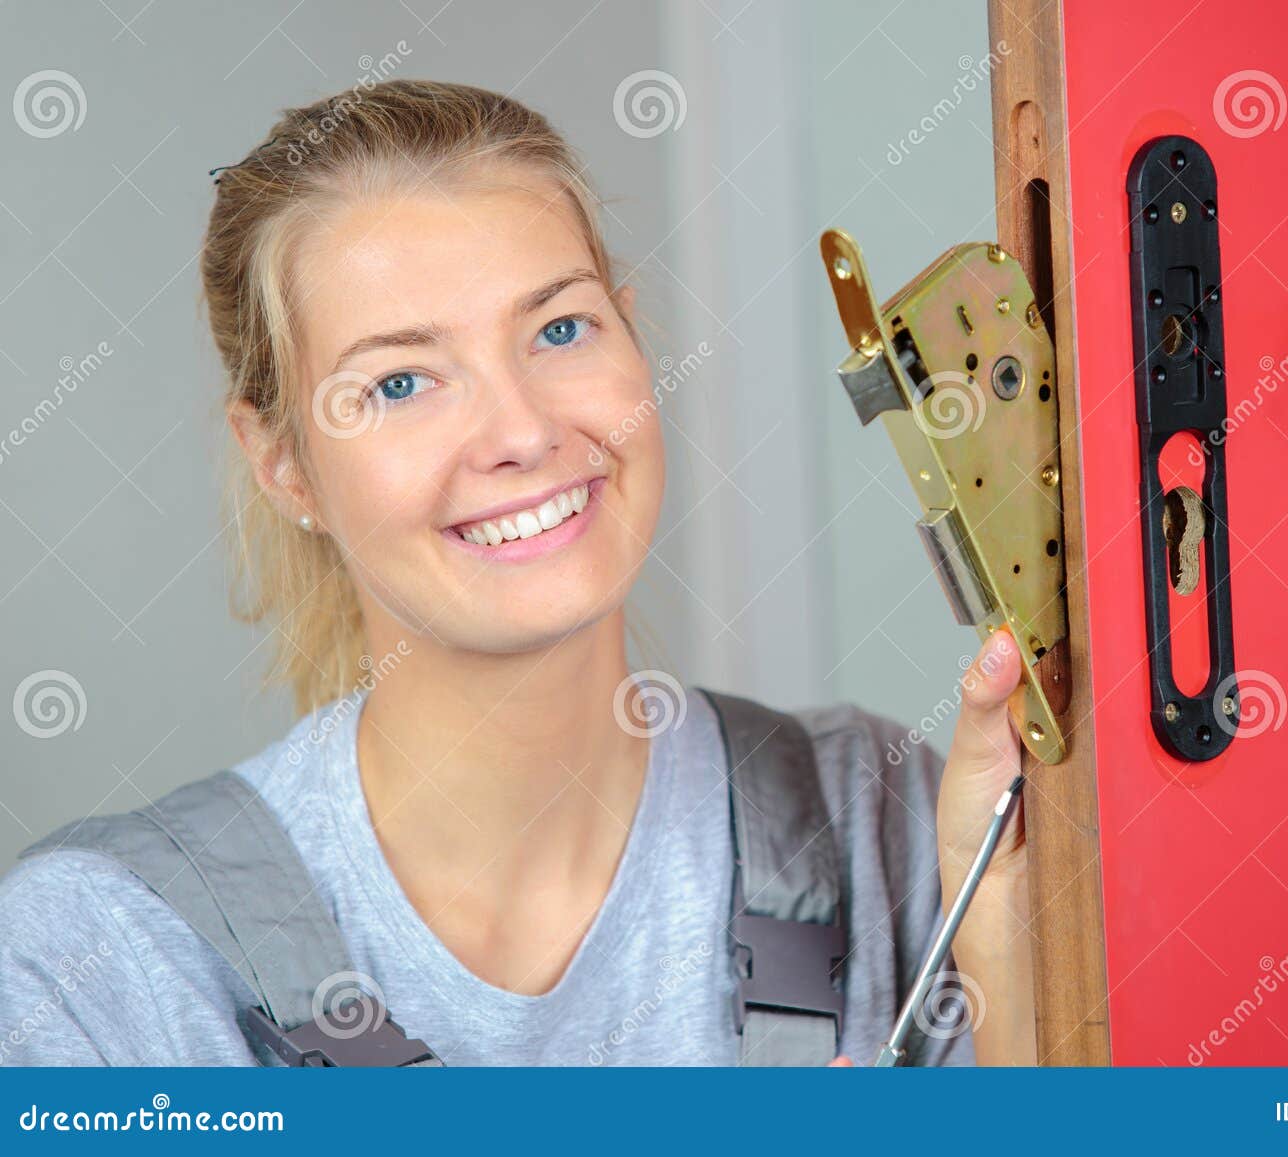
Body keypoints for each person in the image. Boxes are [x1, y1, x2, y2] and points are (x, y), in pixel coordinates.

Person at [0, 79, 1035, 1067]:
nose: (523, 429)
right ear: (281, 464)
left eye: (558, 328)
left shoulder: (866, 814)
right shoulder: (99, 959)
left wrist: (1015, 949)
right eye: (399, 381)